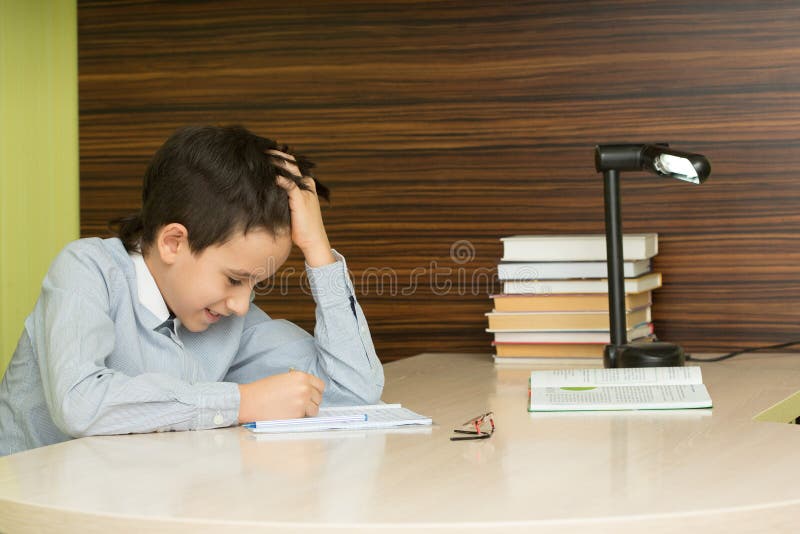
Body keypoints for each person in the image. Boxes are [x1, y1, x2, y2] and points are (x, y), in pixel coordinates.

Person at [0, 125, 384, 456]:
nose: (241, 303)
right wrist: (241, 402)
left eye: (256, 283)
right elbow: (79, 401)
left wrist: (318, 250)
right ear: (173, 243)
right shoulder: (87, 270)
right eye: (235, 278)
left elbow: (353, 389)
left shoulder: (228, 318)